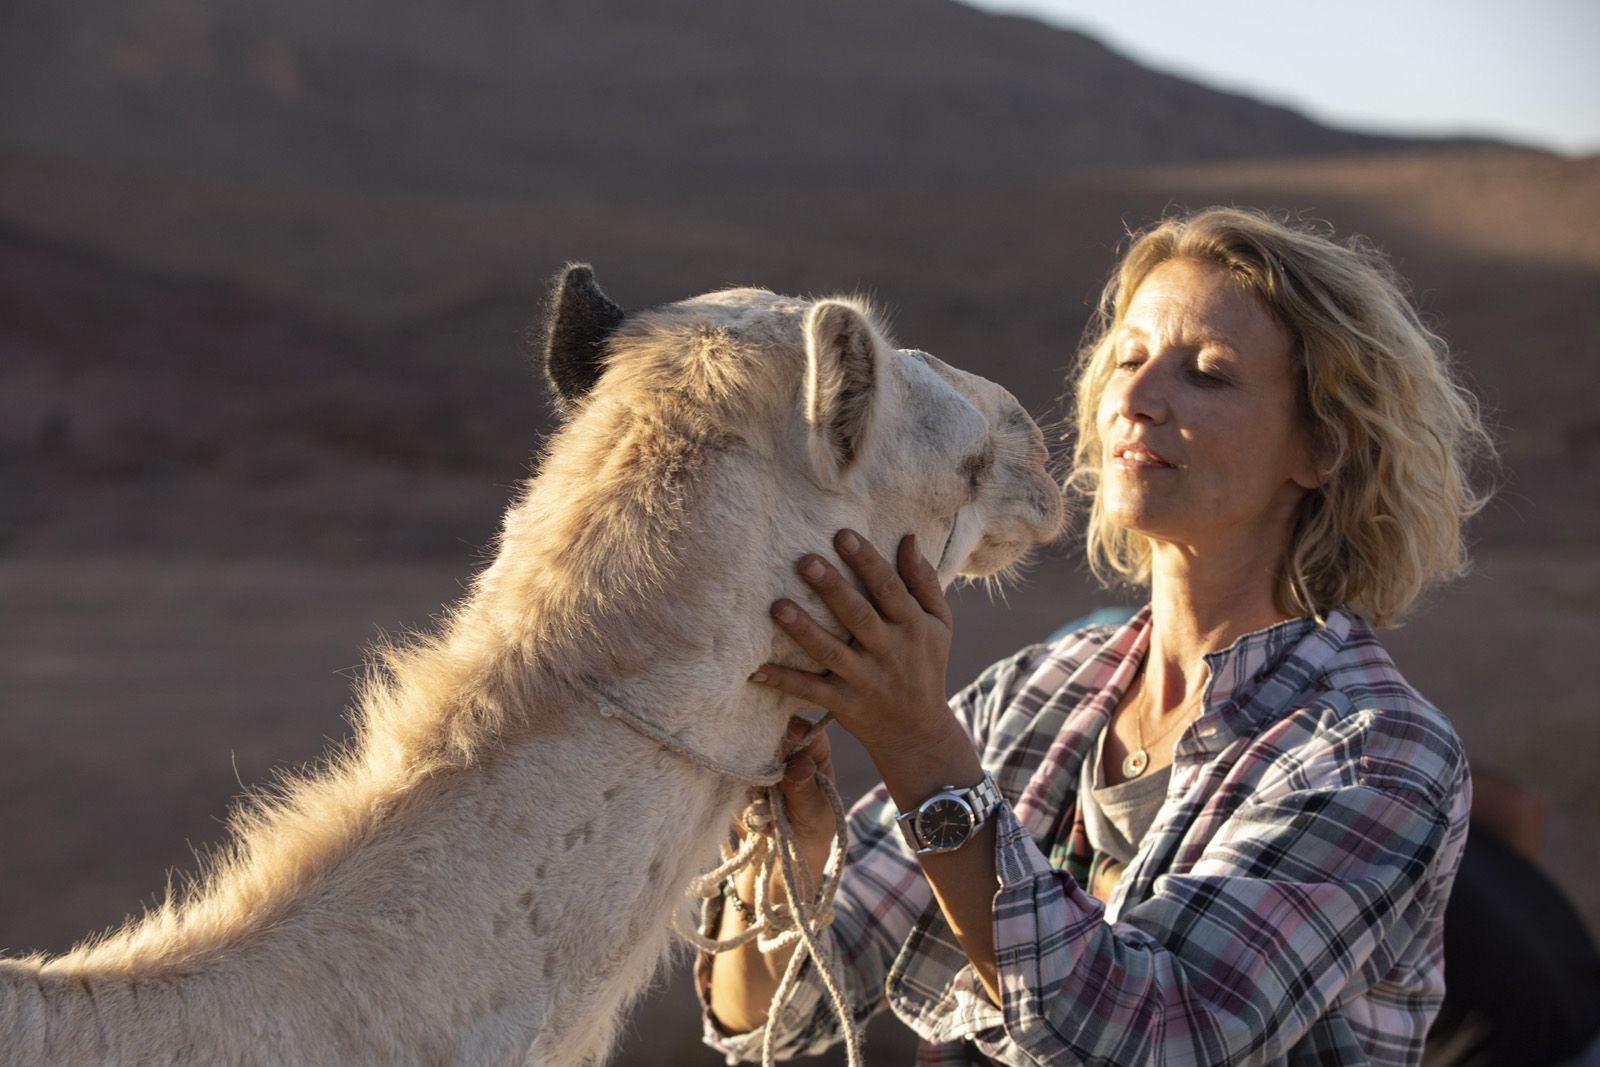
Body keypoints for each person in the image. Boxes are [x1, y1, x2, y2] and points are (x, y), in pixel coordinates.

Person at [703, 207, 1495, 1065]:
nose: (1137, 399)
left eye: (1208, 374)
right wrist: (790, 844)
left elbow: (1157, 1035)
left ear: (1323, 445)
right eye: (1128, 358)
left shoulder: (1376, 753)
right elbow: (775, 1016)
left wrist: (919, 744)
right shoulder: (1038, 692)